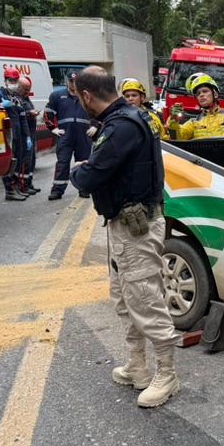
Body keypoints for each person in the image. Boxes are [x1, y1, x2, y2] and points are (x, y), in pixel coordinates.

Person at [69, 67, 180, 408]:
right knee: (124, 298)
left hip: (137, 230)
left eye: (79, 98)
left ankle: (167, 374)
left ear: (87, 95)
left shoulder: (121, 126)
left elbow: (90, 177)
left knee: (145, 299)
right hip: (124, 225)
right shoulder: (130, 118)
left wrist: (78, 171)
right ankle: (138, 366)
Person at [44, 71, 91, 200]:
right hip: (66, 135)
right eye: (71, 81)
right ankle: (57, 190)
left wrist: (94, 126)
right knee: (63, 162)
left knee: (83, 162)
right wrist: (53, 128)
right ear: (67, 81)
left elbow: (96, 112)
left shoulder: (87, 96)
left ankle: (84, 189)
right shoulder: (57, 95)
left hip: (84, 135)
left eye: (76, 82)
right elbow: (47, 113)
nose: (74, 84)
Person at [0, 67, 29, 202]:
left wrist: (27, 136)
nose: (14, 83)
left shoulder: (16, 97)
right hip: (7, 135)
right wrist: (0, 104)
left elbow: (23, 118)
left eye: (16, 80)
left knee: (18, 161)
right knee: (10, 162)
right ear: (5, 80)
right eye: (11, 80)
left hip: (18, 134)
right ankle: (9, 191)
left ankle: (15, 187)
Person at [17, 75, 40, 195]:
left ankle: (29, 183)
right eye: (25, 89)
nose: (28, 92)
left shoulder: (25, 98)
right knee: (25, 161)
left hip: (31, 133)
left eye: (29, 89)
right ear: (19, 87)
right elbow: (17, 115)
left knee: (31, 160)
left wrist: (33, 112)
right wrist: (29, 113)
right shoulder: (17, 99)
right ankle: (23, 186)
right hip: (24, 135)